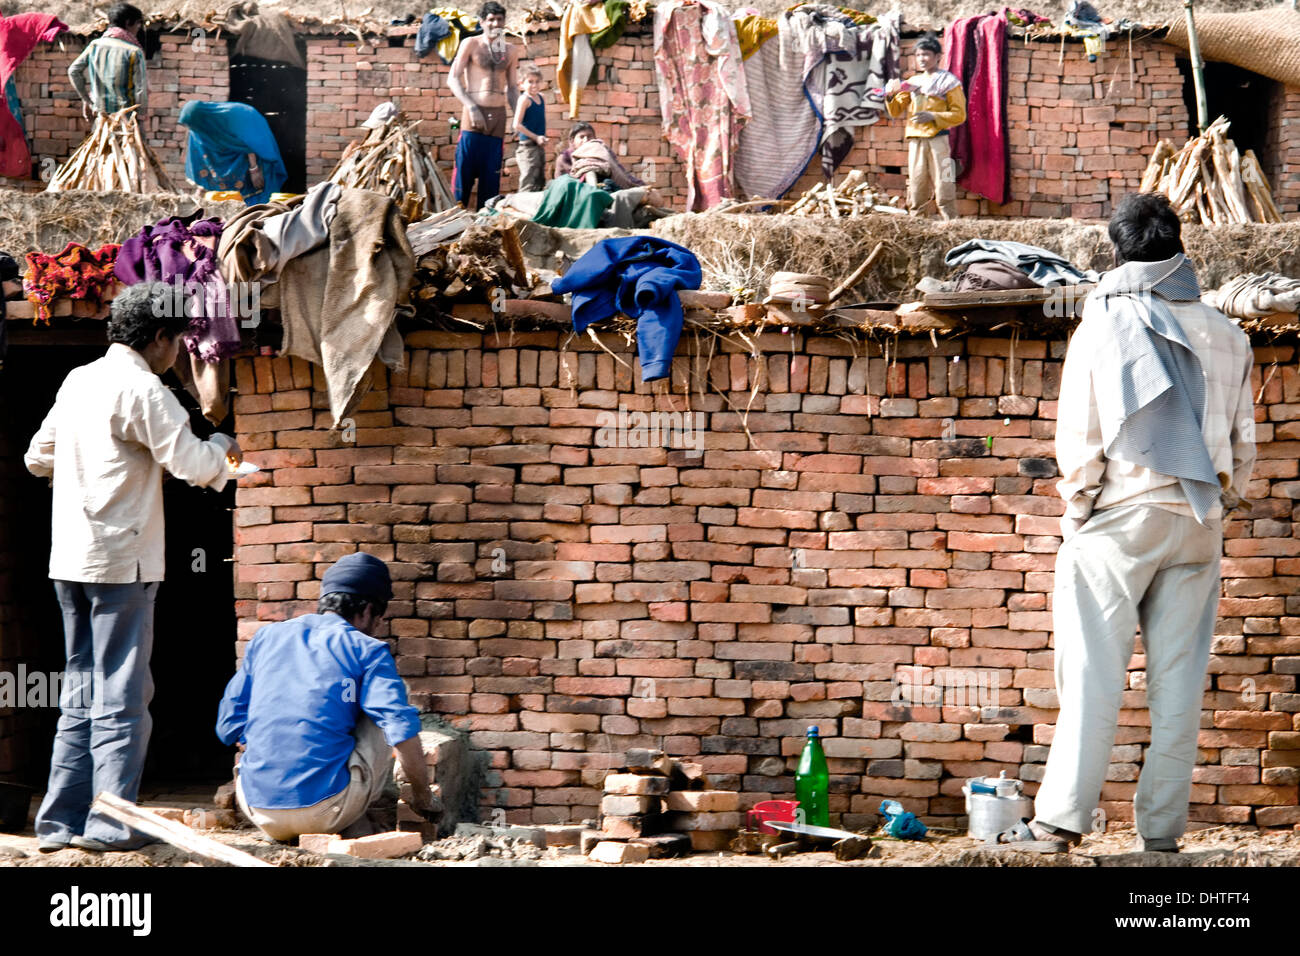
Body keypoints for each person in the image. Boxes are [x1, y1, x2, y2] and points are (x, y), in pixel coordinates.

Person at [996, 193, 1256, 854]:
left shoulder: (1104, 324)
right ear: (1179, 248)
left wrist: (1078, 513)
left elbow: (1079, 441)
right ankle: (1162, 838)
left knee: (1090, 677)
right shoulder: (1229, 334)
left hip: (1119, 518)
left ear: (1117, 252)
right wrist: (1217, 504)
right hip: (1199, 520)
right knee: (1180, 685)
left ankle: (1057, 825)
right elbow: (1243, 451)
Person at [25, 281, 243, 853]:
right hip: (122, 564)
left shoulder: (79, 381)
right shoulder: (145, 390)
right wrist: (224, 440)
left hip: (69, 560)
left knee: (80, 691)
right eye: (178, 341)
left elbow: (36, 457)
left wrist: (81, 470)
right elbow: (194, 464)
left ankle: (57, 826)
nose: (179, 355)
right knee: (122, 697)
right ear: (160, 337)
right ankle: (109, 827)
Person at [215, 553, 437, 842]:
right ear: (369, 609)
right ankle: (338, 816)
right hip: (328, 808)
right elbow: (400, 729)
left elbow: (228, 725)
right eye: (379, 619)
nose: (379, 627)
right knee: (392, 704)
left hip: (257, 807)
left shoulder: (265, 638)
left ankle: (294, 819)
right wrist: (423, 798)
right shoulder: (367, 649)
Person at [884, 33, 966, 220]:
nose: (922, 59)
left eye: (926, 54)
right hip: (916, 141)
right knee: (916, 183)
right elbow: (896, 110)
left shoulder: (949, 82)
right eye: (919, 55)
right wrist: (890, 96)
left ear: (938, 57)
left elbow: (959, 115)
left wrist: (933, 116)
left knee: (944, 182)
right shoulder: (912, 82)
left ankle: (950, 223)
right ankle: (917, 222)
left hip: (940, 139)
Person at [448, 1, 520, 209]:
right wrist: (471, 107)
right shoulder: (470, 44)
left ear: (504, 22)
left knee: (491, 180)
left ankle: (485, 227)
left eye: (499, 19)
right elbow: (453, 78)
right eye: (490, 19)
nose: (495, 23)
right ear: (482, 22)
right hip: (473, 115)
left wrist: (517, 119)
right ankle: (453, 224)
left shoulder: (510, 50)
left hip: (498, 118)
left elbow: (513, 88)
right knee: (463, 177)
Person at [178, 100, 287, 204]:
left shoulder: (238, 115)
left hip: (253, 137)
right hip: (234, 149)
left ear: (201, 118)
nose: (192, 129)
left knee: (259, 185)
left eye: (192, 126)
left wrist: (254, 169)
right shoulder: (200, 126)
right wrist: (202, 185)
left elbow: (251, 144)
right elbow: (201, 153)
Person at [68, 2, 149, 123]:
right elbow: (141, 89)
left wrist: (87, 100)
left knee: (100, 142)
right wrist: (140, 114)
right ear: (128, 23)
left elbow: (73, 71)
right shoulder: (134, 52)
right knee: (133, 142)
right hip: (126, 119)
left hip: (101, 117)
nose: (138, 28)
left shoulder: (95, 46)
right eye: (138, 24)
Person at [513, 64, 547, 192]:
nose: (534, 85)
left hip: (539, 145)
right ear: (521, 84)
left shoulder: (542, 98)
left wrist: (541, 138)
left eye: (537, 82)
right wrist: (535, 137)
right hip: (527, 147)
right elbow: (516, 125)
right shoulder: (524, 100)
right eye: (530, 82)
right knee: (528, 179)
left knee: (539, 181)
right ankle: (521, 206)